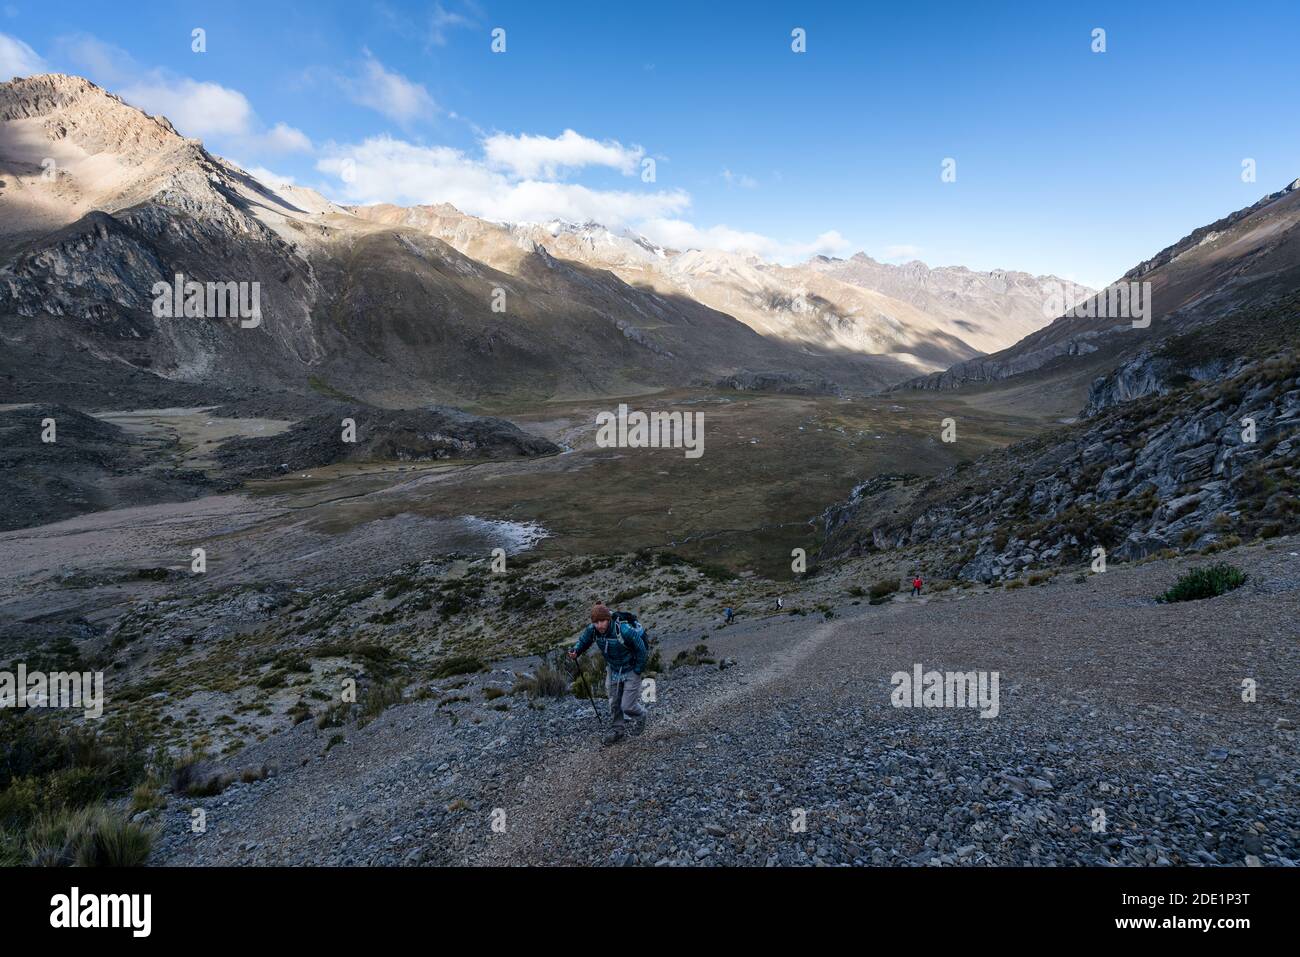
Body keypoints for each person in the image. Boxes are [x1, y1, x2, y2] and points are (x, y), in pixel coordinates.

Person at [568, 603, 648, 745]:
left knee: (627, 706)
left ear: (609, 619)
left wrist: (638, 669)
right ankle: (617, 729)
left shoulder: (624, 630)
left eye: (602, 621)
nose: (599, 625)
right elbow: (583, 641)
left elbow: (641, 649)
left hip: (630, 668)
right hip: (613, 669)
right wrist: (576, 651)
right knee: (614, 701)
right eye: (596, 622)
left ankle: (641, 715)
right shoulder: (593, 630)